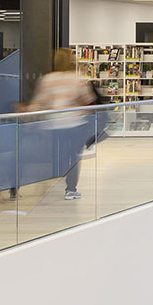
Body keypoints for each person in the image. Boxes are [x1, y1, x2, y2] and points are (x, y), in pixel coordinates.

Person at [18, 47, 94, 201]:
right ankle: (71, 189)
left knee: (58, 154)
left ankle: (44, 186)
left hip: (53, 124)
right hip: (74, 124)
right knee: (74, 156)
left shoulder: (48, 79)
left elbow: (39, 102)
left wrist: (27, 112)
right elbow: (88, 99)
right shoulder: (76, 78)